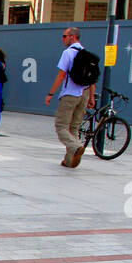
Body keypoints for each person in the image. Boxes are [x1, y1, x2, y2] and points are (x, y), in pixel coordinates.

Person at [45, 27, 96, 168]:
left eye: (64, 36)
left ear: (72, 37)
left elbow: (61, 75)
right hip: (84, 94)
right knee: (74, 128)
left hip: (70, 94)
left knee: (61, 127)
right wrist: (91, 97)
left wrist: (50, 93)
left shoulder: (68, 53)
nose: (62, 39)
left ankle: (77, 146)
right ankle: (69, 161)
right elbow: (92, 79)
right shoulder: (87, 54)